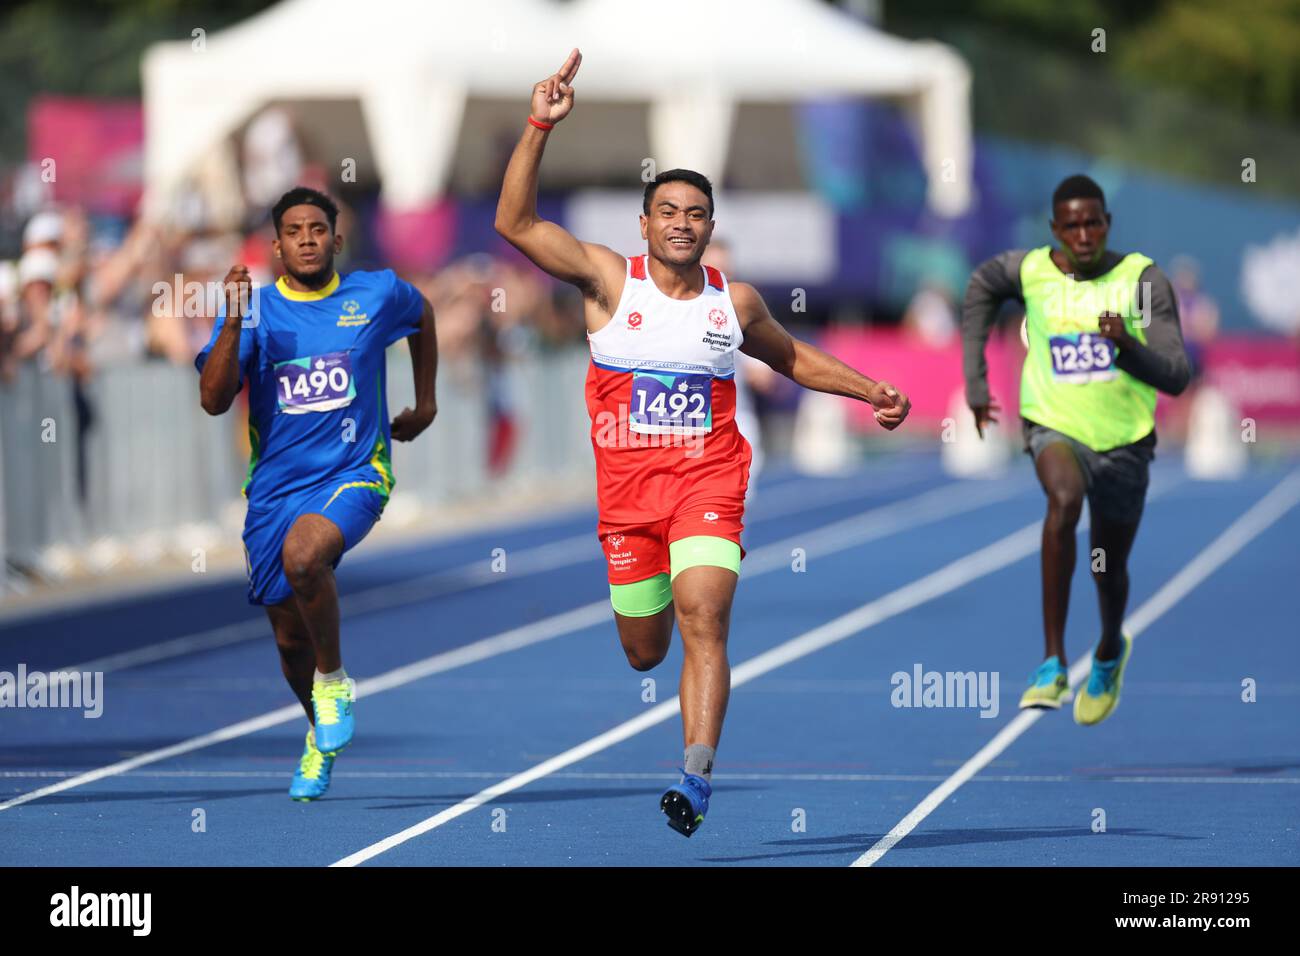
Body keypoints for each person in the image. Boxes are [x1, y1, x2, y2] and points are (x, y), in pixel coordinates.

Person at [495, 50, 910, 836]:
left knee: (705, 616)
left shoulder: (735, 301)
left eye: (696, 214)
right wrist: (538, 126)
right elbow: (513, 224)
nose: (683, 224)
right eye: (669, 212)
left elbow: (789, 357)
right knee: (645, 651)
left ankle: (697, 773)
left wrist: (868, 390)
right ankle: (677, 716)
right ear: (644, 223)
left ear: (710, 228)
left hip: (709, 486)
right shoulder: (607, 282)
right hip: (627, 502)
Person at [196, 187, 438, 800]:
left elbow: (423, 314)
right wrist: (230, 319)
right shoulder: (258, 314)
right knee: (287, 636)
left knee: (305, 556)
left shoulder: (375, 295)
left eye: (317, 228)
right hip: (274, 491)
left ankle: (334, 683)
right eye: (293, 231)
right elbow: (213, 398)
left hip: (355, 473)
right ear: (275, 248)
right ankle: (315, 729)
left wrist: (427, 399)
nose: (307, 238)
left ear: (336, 237)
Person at [962, 174, 1190, 725]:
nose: (1083, 234)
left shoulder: (1142, 280)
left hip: (1125, 442)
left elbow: (1177, 376)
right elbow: (980, 287)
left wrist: (1126, 347)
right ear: (1055, 230)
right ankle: (1053, 662)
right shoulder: (1031, 269)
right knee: (1062, 501)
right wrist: (976, 378)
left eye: (1093, 222)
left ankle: (1110, 648)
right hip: (1052, 423)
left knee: (1108, 570)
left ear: (1107, 223)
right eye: (1072, 225)